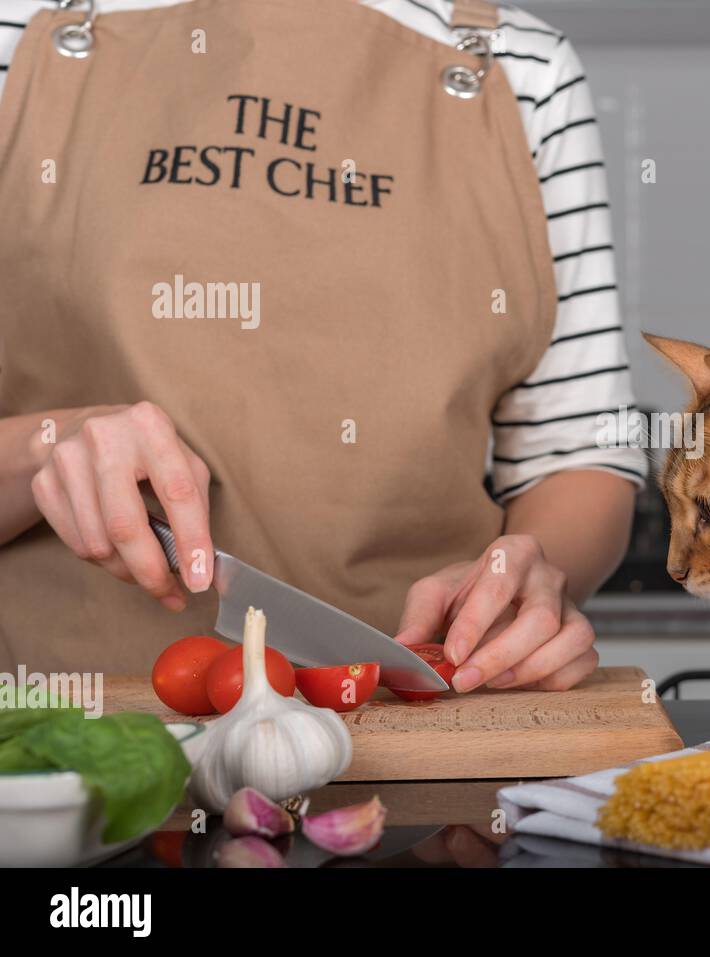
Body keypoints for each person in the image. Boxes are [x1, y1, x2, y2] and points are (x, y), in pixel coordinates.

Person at [0, 0, 645, 693]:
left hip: (422, 720)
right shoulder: (19, 33)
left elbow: (575, 452)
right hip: (62, 739)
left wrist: (519, 584)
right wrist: (48, 442)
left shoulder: (525, 70)